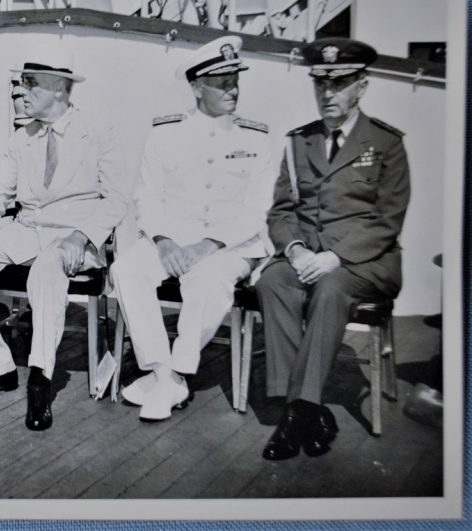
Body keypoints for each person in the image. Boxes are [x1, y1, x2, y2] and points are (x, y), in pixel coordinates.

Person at [0, 47, 127, 431]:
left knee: (46, 269)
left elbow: (118, 198)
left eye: (31, 84)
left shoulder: (97, 131)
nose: (22, 93)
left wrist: (83, 235)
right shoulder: (23, 138)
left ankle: (40, 376)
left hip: (75, 239)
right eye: (22, 84)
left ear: (58, 88)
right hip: (25, 231)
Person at [256, 38, 410, 460]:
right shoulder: (298, 142)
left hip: (366, 262)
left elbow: (387, 220)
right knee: (272, 281)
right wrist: (297, 251)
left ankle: (296, 411)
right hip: (311, 256)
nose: (328, 94)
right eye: (320, 84)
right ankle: (308, 410)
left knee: (331, 288)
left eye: (339, 84)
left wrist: (335, 257)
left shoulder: (386, 143)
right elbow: (281, 212)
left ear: (362, 85)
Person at [111, 36, 274, 421]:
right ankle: (164, 372)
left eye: (235, 79)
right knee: (126, 269)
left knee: (207, 281)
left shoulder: (256, 137)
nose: (232, 88)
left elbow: (257, 208)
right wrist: (163, 242)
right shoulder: (166, 132)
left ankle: (176, 373)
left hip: (232, 245)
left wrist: (210, 244)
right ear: (197, 87)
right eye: (221, 82)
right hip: (173, 238)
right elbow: (147, 196)